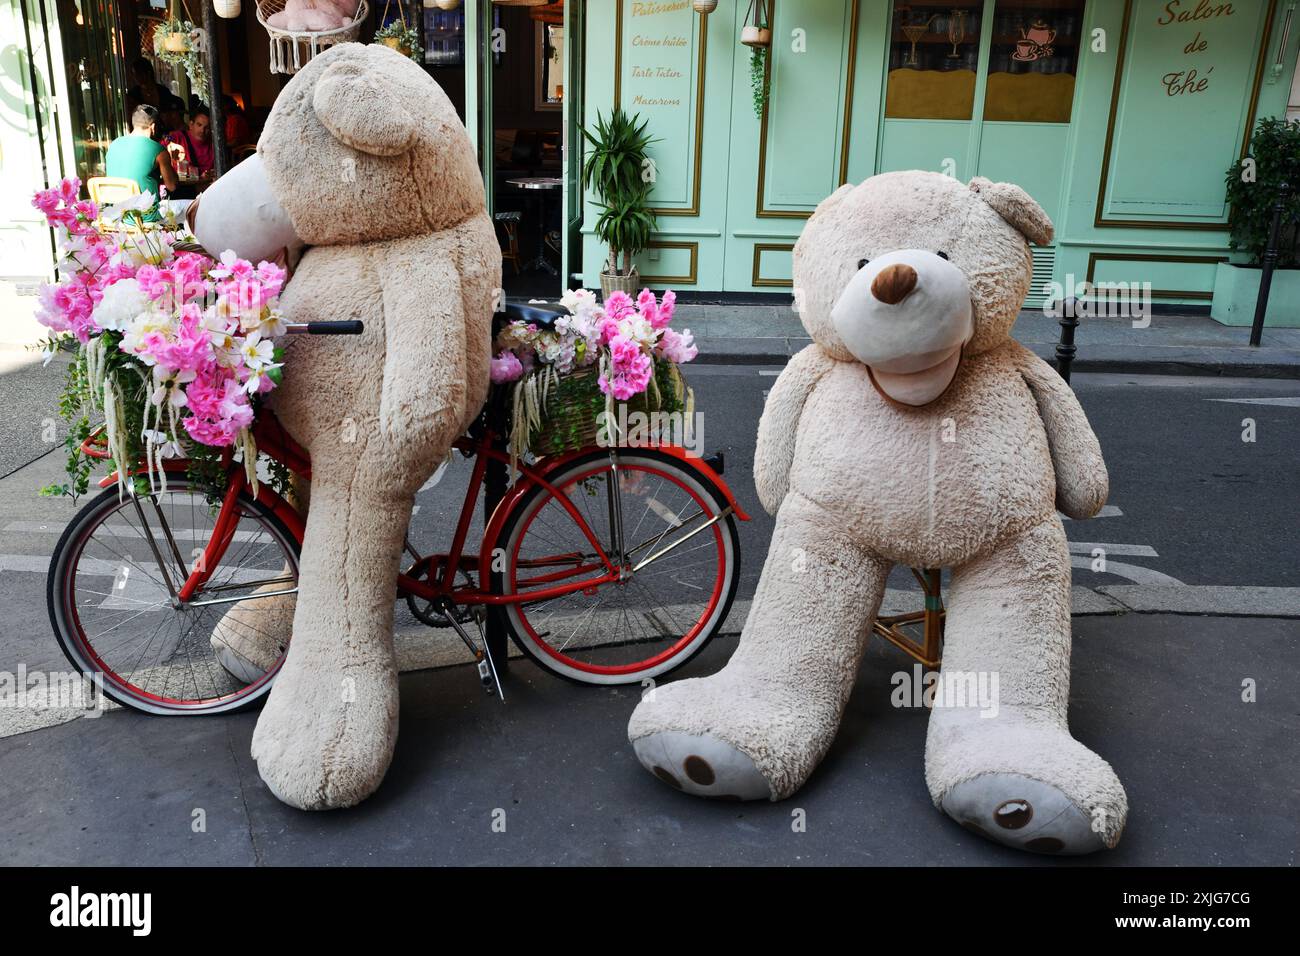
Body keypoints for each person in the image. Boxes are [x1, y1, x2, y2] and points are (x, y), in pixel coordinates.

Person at [105, 104, 179, 216]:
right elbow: (172, 186)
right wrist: (171, 159)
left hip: (115, 215)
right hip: (145, 216)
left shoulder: (113, 145)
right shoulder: (158, 150)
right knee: (189, 206)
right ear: (153, 127)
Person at [163, 107, 215, 178]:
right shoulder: (178, 137)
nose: (202, 130)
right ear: (191, 125)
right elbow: (160, 146)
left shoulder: (214, 145)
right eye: (199, 125)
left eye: (207, 127)